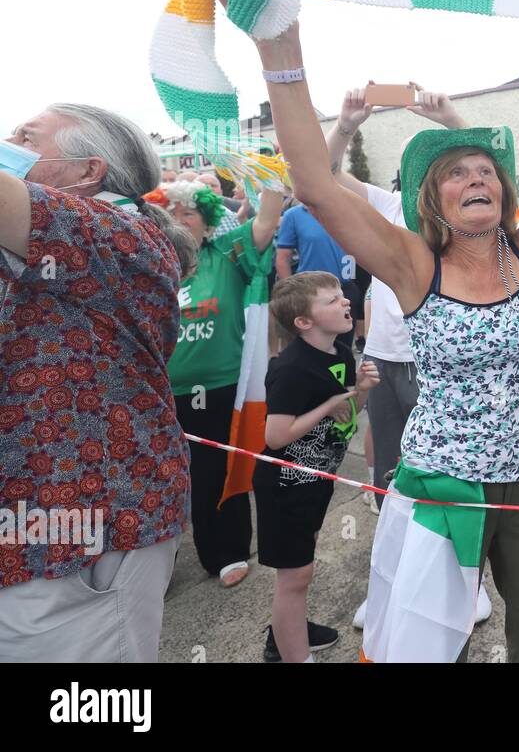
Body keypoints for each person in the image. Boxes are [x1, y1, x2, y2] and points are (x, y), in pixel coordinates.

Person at [242, 0, 519, 661]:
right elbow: (311, 178)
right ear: (435, 197)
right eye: (458, 172)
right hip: (440, 484)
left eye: (487, 169)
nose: (478, 177)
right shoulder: (411, 263)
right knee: (427, 649)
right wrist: (280, 46)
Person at [0, 104, 188, 662]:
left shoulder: (119, 232)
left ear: (89, 171)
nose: (8, 142)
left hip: (88, 529)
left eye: (26, 137)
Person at [324, 84, 493, 630]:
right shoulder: (387, 206)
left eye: (444, 167)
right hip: (386, 357)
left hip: (439, 363)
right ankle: (391, 585)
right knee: (394, 478)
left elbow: (493, 173)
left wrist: (452, 122)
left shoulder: (463, 218)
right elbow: (319, 178)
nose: (454, 178)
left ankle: (468, 587)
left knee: (456, 475)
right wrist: (348, 125)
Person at [154, 179, 283, 588]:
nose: (177, 219)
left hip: (223, 386)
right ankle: (171, 556)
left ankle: (226, 552)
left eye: (187, 213)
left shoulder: (226, 255)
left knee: (224, 468)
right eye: (170, 212)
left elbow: (266, 222)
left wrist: (270, 179)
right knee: (177, 475)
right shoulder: (149, 263)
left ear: (206, 222)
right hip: (163, 392)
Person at [257, 271, 380, 662]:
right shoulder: (291, 368)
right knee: (294, 578)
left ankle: (288, 631)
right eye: (331, 300)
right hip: (285, 486)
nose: (345, 302)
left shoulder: (342, 354)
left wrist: (360, 392)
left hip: (315, 480)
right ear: (303, 322)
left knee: (301, 568)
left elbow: (345, 418)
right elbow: (276, 436)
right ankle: (291, 653)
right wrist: (329, 403)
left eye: (342, 296)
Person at [277, 197, 362, 351]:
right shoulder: (293, 215)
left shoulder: (347, 209)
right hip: (313, 295)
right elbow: (282, 258)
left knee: (343, 350)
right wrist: (291, 296)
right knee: (311, 351)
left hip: (346, 289)